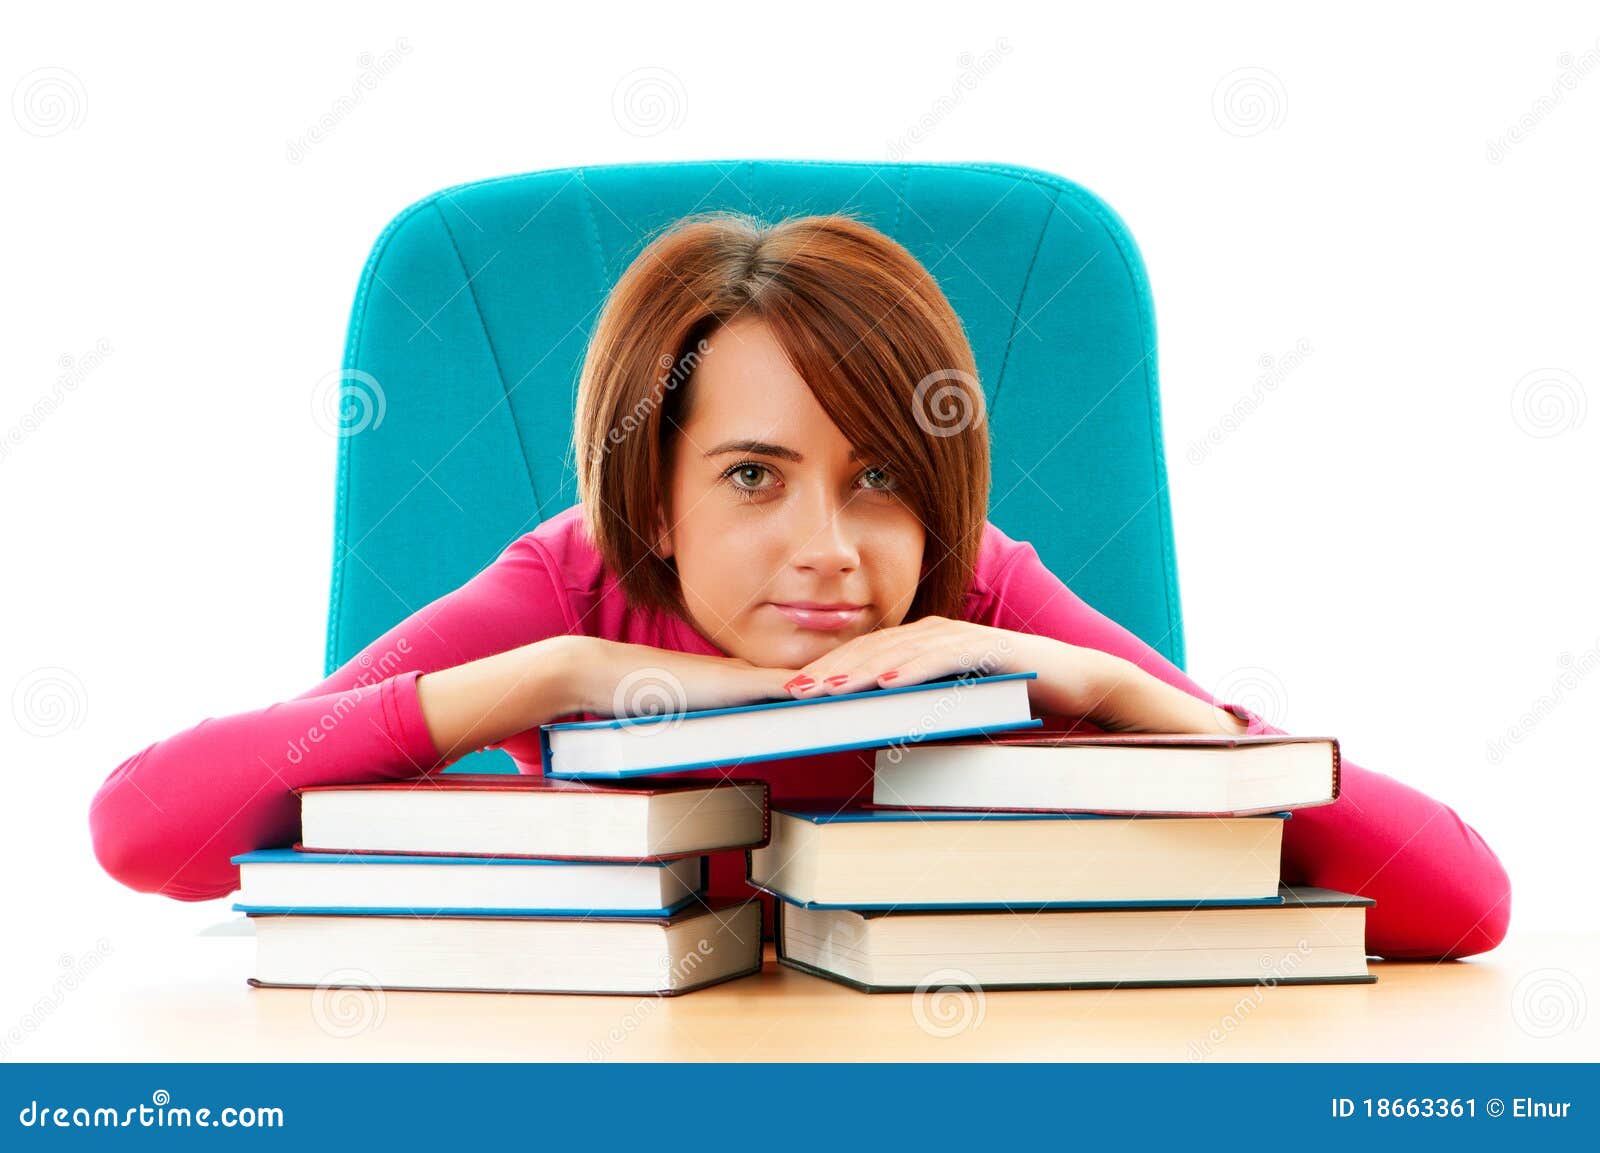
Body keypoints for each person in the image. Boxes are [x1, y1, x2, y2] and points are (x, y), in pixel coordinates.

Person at [89, 211, 1510, 958]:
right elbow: (146, 829)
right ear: (656, 491)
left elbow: (1462, 898)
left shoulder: (980, 593)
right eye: (755, 476)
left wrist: (1133, 694)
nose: (832, 544)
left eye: (883, 473)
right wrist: (550, 676)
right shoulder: (574, 581)